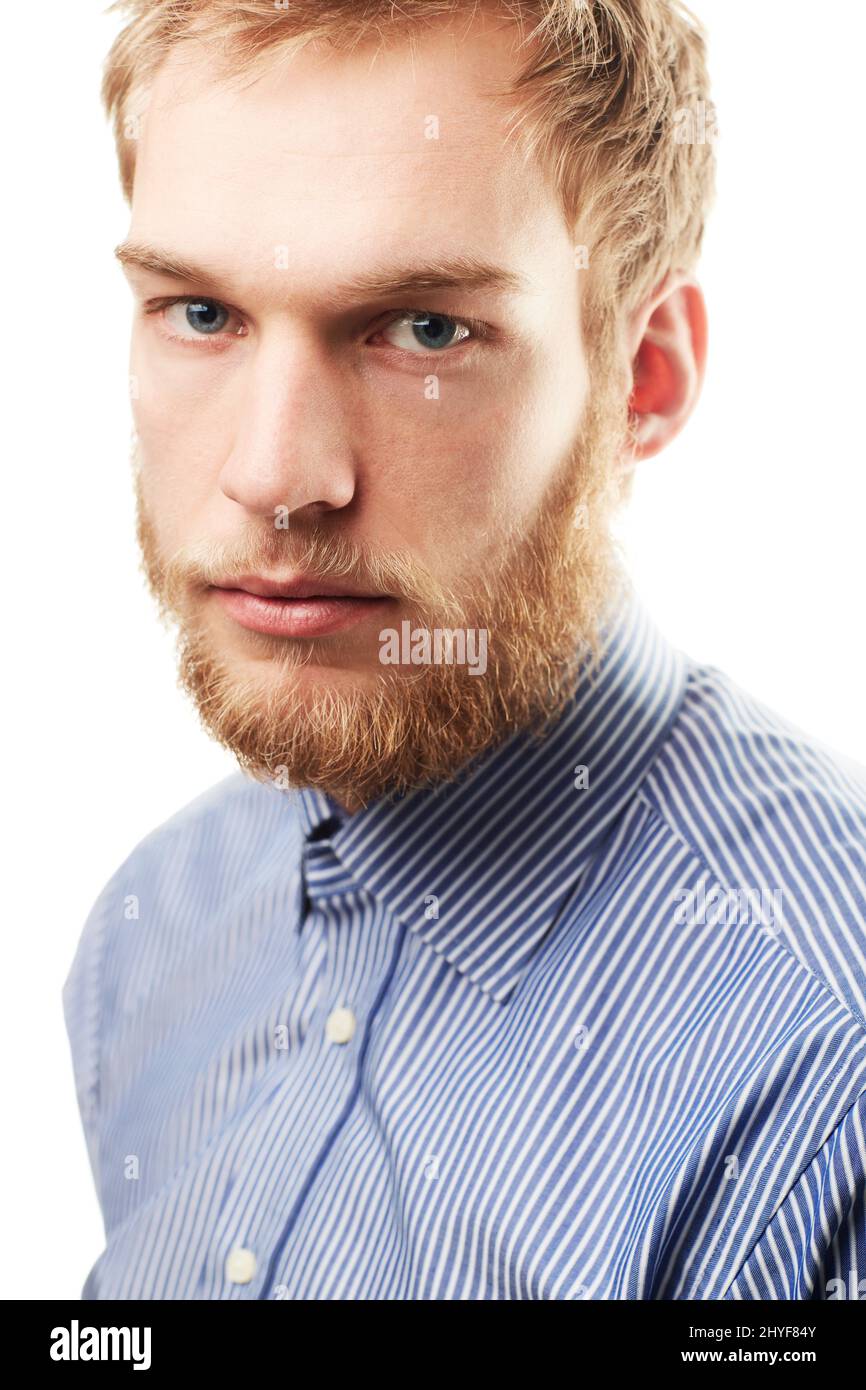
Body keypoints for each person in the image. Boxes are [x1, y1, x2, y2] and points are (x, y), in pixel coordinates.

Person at [63, 0, 866, 1300]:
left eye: (422, 331)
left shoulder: (827, 1053)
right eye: (200, 312)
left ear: (642, 378)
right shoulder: (151, 935)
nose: (275, 477)